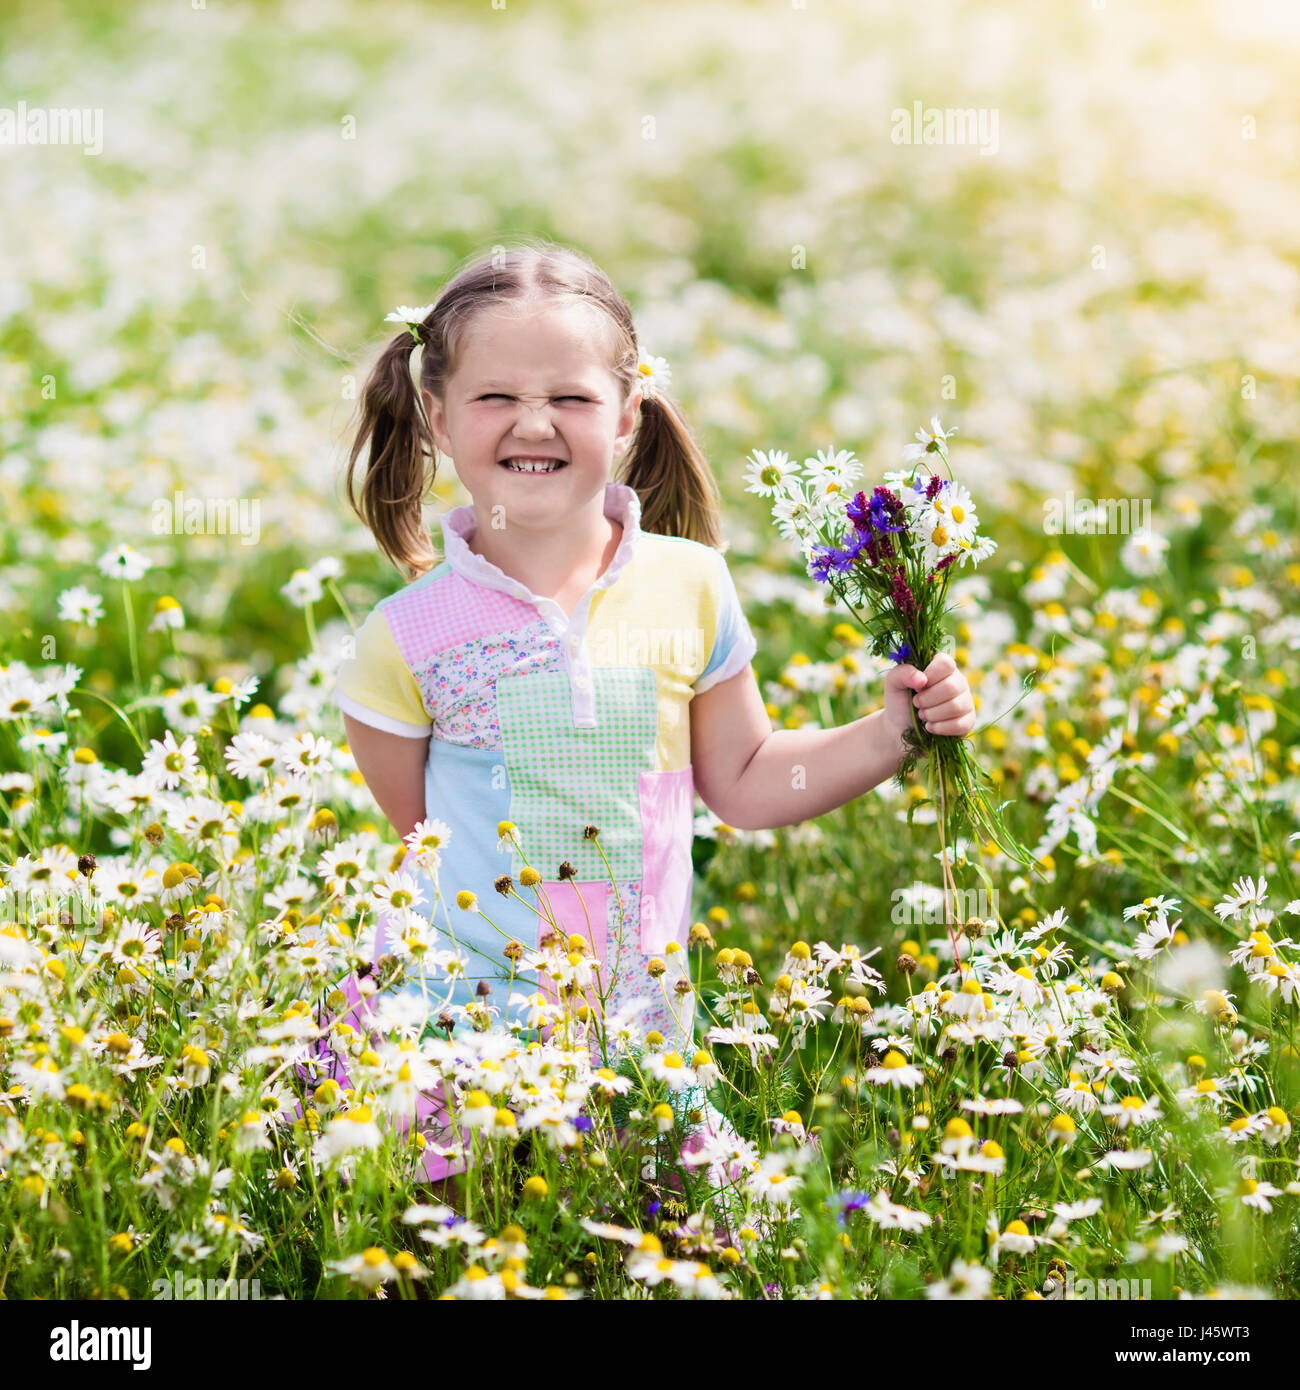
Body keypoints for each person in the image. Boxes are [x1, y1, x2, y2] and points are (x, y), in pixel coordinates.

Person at [322, 238, 975, 1215]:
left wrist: (896, 734)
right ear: (434, 416)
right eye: (495, 396)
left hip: (633, 1027)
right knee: (446, 1257)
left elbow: (750, 780)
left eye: (572, 398)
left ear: (628, 415)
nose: (532, 423)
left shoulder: (690, 585)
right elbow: (421, 841)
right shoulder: (404, 637)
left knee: (702, 1244)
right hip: (458, 1031)